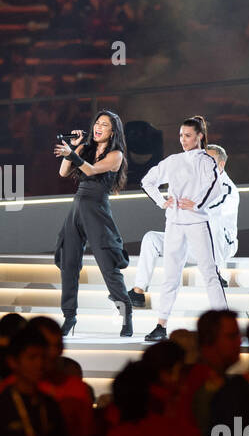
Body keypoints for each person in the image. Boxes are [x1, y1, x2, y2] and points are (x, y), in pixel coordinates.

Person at [139, 117, 227, 342]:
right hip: (175, 224)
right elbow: (147, 181)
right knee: (170, 276)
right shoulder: (173, 161)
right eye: (181, 135)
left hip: (198, 222)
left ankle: (225, 324)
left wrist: (197, 203)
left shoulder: (207, 161)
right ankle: (161, 325)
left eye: (188, 135)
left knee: (210, 273)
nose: (183, 140)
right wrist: (161, 201)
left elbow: (214, 188)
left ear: (200, 136)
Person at [53, 109, 135, 338]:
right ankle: (69, 316)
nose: (98, 127)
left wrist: (74, 154)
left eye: (105, 125)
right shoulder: (86, 149)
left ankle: (126, 311)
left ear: (113, 131)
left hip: (97, 210)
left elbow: (90, 169)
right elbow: (63, 172)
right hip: (77, 208)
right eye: (97, 123)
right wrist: (77, 147)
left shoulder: (116, 155)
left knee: (108, 265)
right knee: (69, 265)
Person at [131, 142, 237, 308]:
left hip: (221, 247)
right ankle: (138, 291)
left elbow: (210, 209)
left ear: (221, 164)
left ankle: (216, 274)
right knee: (151, 238)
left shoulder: (227, 188)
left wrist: (190, 206)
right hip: (194, 244)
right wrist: (168, 203)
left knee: (211, 219)